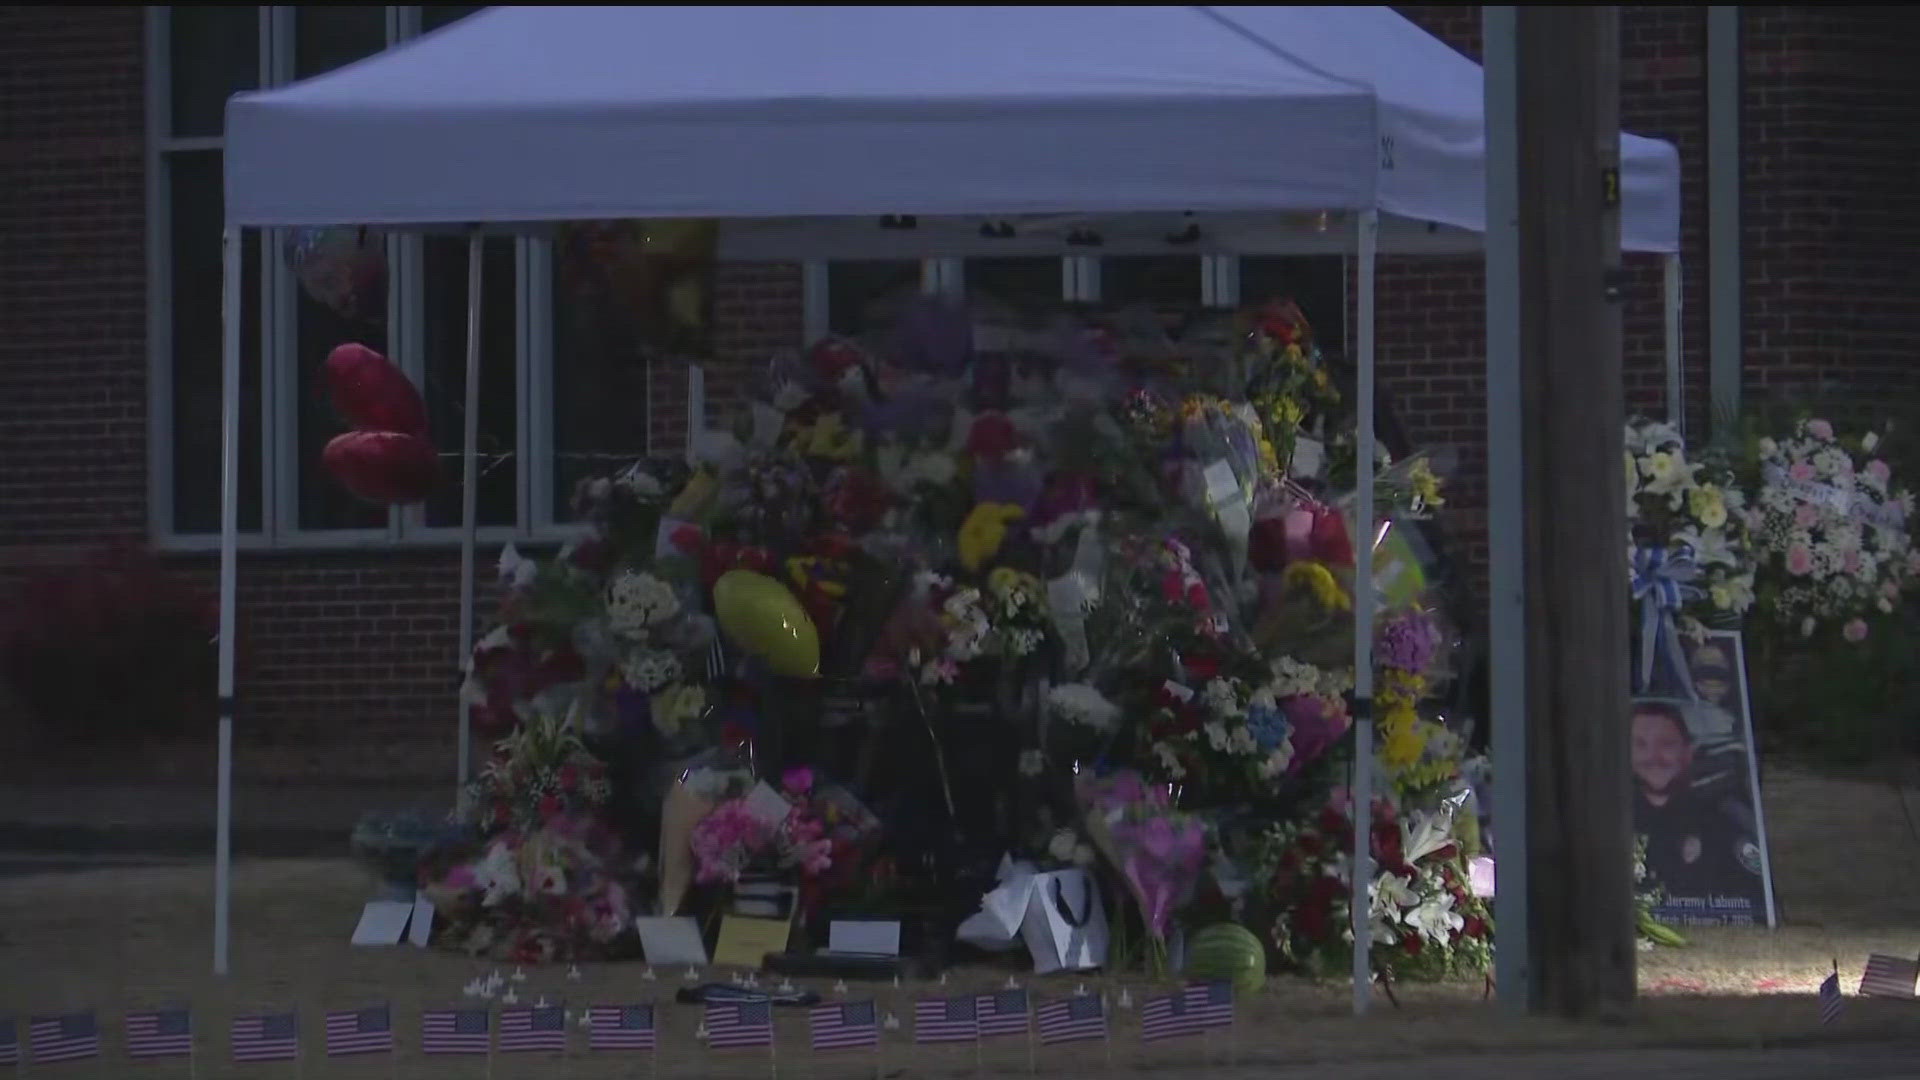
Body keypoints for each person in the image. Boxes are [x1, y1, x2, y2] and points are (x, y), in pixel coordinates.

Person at [1630, 700, 1763, 912]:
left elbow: (1753, 903)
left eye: (1666, 744)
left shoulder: (1724, 823)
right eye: (1640, 745)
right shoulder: (1607, 821)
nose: (1653, 756)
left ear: (1688, 752)